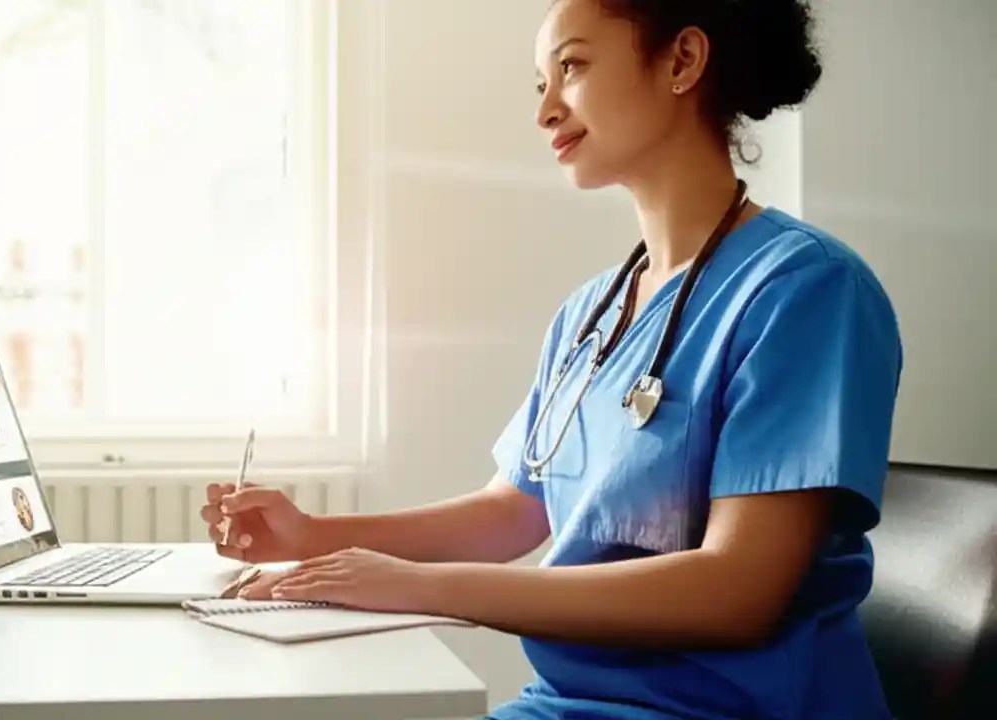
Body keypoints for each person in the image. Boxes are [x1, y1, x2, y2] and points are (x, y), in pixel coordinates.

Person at [200, 0, 901, 717]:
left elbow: (736, 593)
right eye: (541, 82)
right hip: (572, 704)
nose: (546, 111)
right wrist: (313, 539)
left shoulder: (805, 290)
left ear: (683, 61)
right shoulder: (591, 313)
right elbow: (513, 510)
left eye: (572, 66)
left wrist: (419, 585)